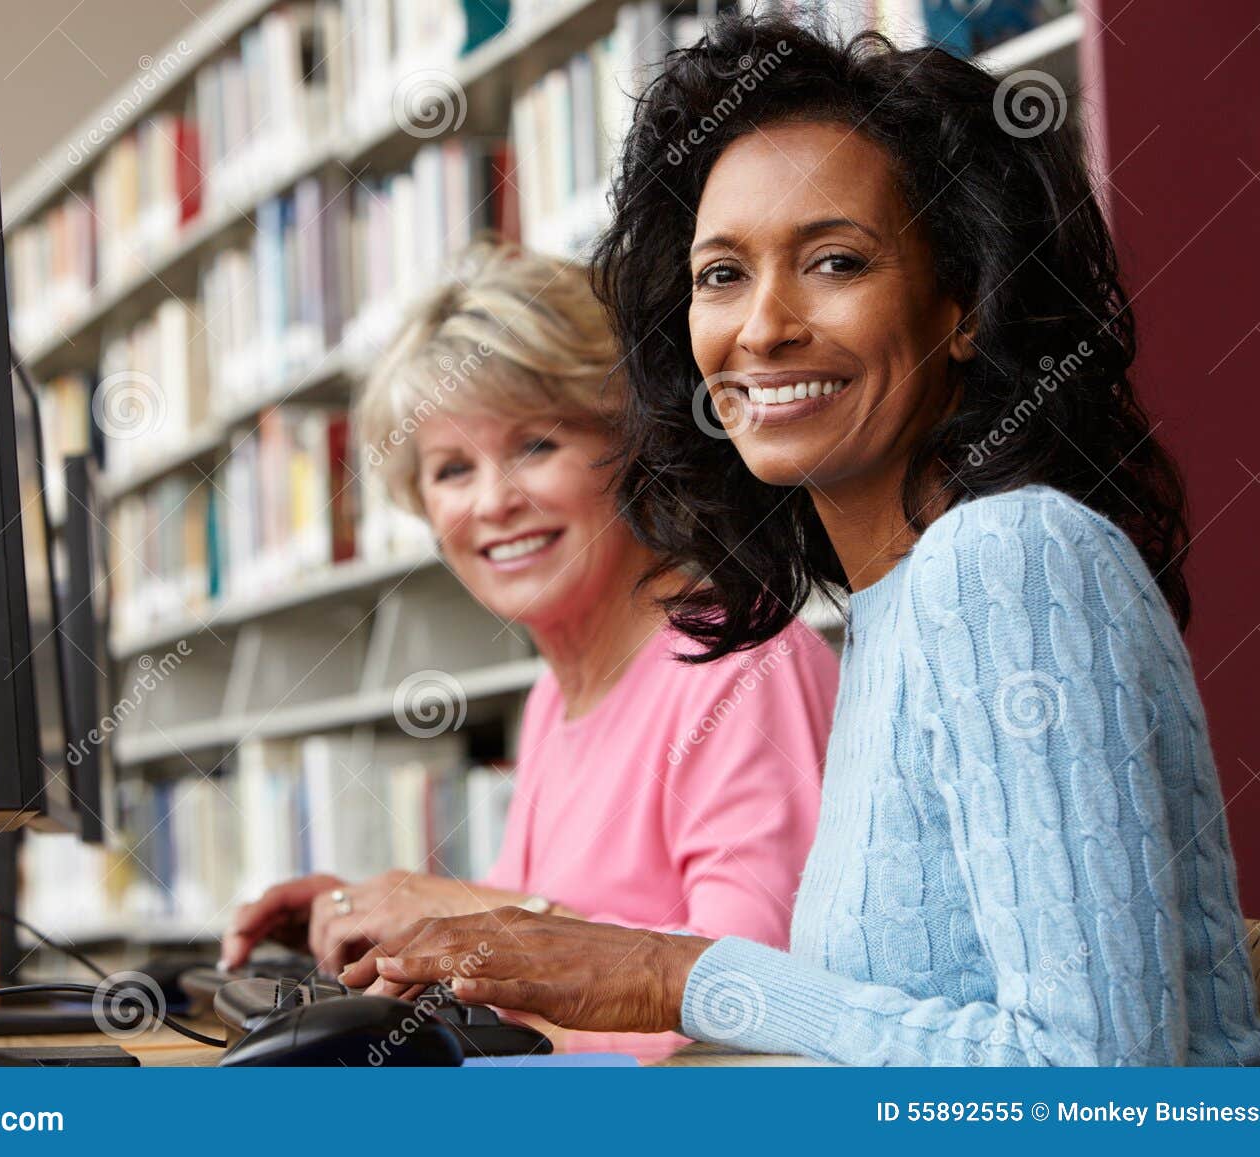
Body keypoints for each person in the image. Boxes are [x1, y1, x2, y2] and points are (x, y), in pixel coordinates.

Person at [340, 18, 1260, 1066]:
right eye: (721, 275)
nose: (764, 327)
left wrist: (674, 974)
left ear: (960, 303)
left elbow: (1099, 1082)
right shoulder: (893, 603)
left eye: (834, 261)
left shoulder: (1009, 558)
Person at [222, 243, 838, 1051]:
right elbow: (539, 989)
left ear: (631, 446)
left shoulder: (742, 663)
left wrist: (453, 910)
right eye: (450, 469)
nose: (494, 502)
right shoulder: (556, 694)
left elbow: (754, 1019)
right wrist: (384, 928)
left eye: (535, 446)